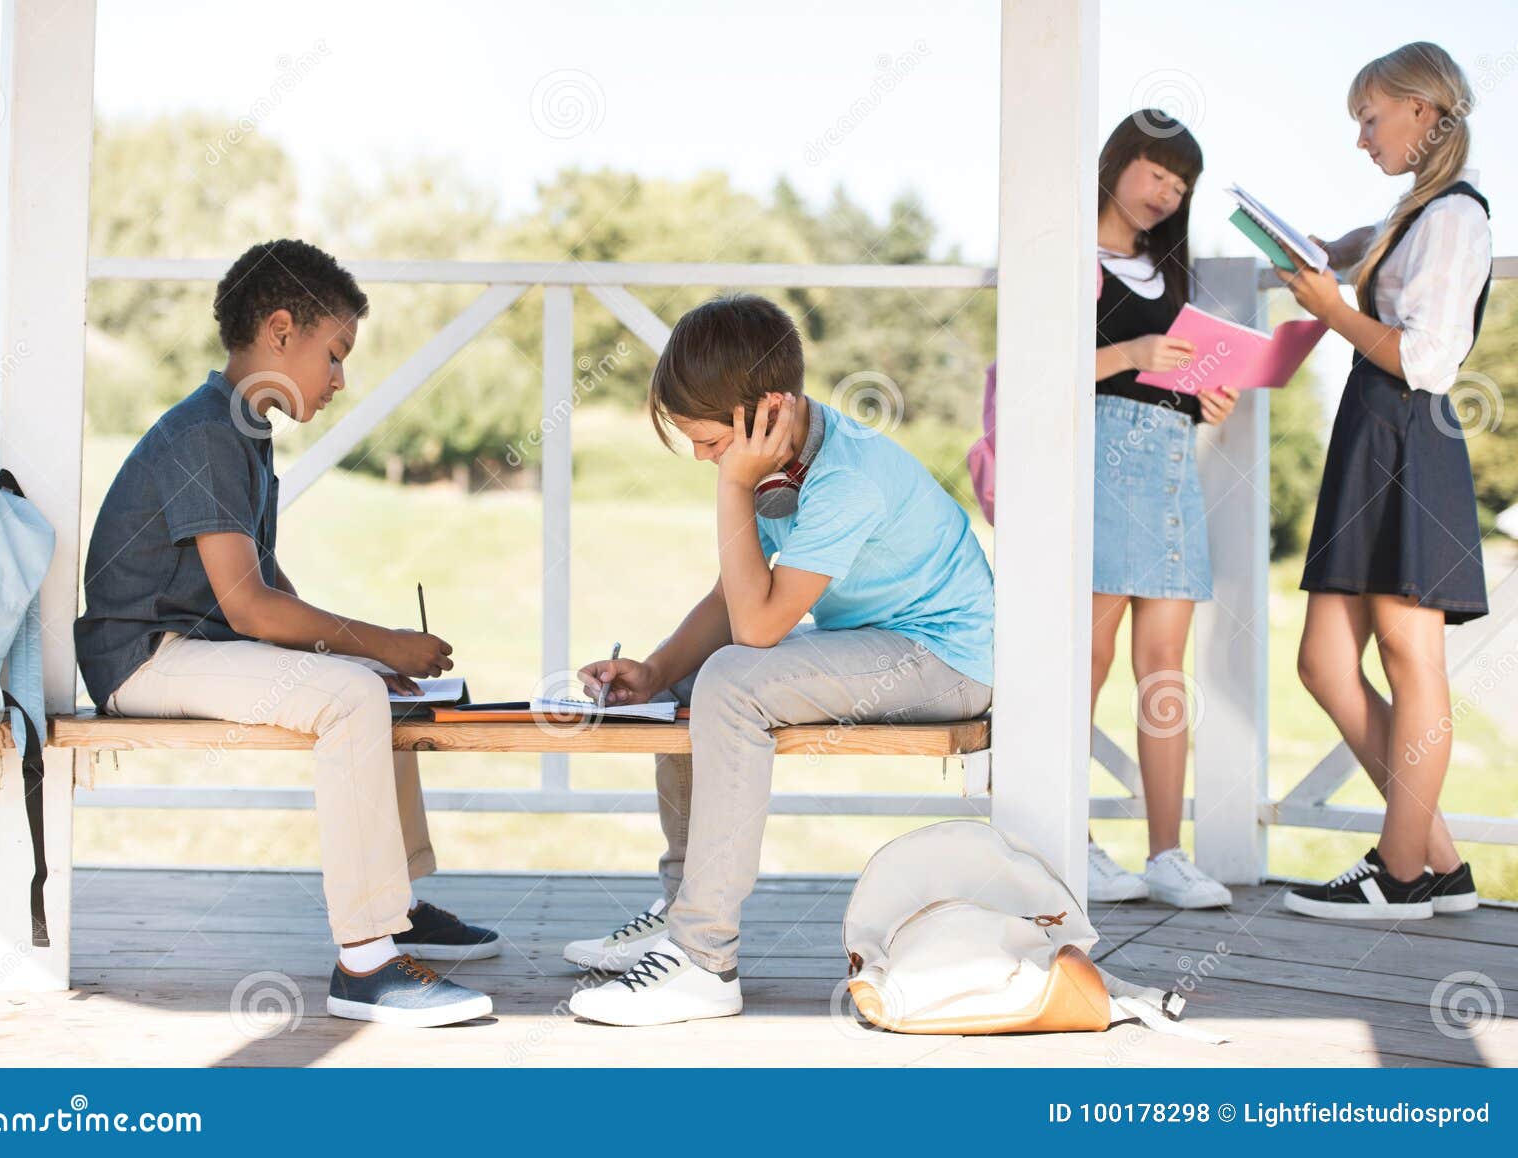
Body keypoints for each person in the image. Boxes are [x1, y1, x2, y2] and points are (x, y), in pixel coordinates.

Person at [75, 239, 500, 1025]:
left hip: (191, 648)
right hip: (144, 657)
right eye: (335, 355)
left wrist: (370, 658)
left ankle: (394, 908)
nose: (341, 378)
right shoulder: (206, 433)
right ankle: (366, 961)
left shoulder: (241, 428)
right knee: (351, 693)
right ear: (279, 330)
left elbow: (267, 587)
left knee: (369, 690)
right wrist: (379, 640)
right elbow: (252, 611)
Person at [563, 294, 996, 1026]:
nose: (704, 460)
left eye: (708, 444)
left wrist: (732, 484)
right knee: (703, 677)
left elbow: (758, 630)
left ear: (767, 412)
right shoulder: (784, 456)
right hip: (883, 641)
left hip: (945, 655)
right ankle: (678, 915)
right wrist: (659, 670)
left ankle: (703, 962)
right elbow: (738, 592)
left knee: (732, 677)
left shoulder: (843, 479)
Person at [1279, 43, 1490, 920]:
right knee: (1326, 663)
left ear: (1421, 109)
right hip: (1369, 432)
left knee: (1412, 656)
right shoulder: (1413, 214)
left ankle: (1401, 874)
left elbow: (1430, 361)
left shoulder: (1456, 217)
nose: (1363, 139)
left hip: (1409, 431)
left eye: (1370, 119)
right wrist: (1321, 251)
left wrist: (1334, 312)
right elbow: (1364, 248)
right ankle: (1436, 860)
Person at [1083, 112, 1241, 909]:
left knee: (1162, 673)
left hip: (1172, 469)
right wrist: (1135, 356)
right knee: (1091, 658)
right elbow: (1041, 366)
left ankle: (1165, 854)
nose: (1166, 194)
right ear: (1117, 163)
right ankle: (1066, 840)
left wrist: (1207, 397)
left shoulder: (1170, 274)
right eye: (1157, 173)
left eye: (1181, 186)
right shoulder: (1077, 260)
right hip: (1103, 467)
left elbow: (1170, 374)